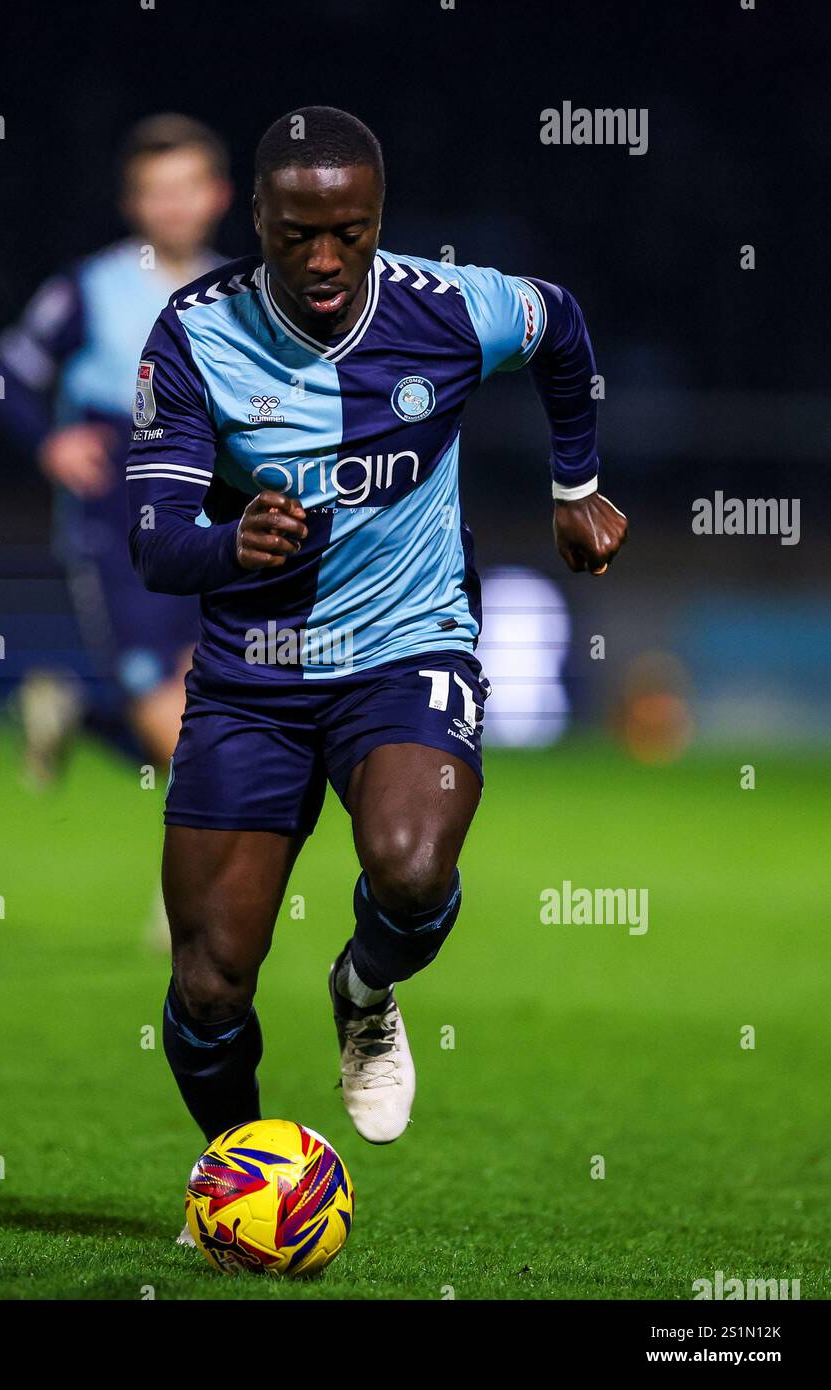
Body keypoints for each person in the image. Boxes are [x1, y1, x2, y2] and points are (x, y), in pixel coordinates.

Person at [125, 106, 628, 1172]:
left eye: (347, 232)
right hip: (251, 678)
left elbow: (563, 327)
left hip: (407, 647)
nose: (322, 258)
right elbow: (156, 542)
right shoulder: (194, 334)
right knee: (210, 978)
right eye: (295, 231)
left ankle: (363, 988)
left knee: (408, 868)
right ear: (255, 217)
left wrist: (576, 486)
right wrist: (230, 549)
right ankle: (246, 1172)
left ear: (377, 218)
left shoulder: (449, 309)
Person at [0, 114, 233, 782]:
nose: (173, 204)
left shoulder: (243, 296)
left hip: (220, 524)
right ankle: (197, 886)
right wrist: (49, 441)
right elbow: (0, 376)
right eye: (156, 190)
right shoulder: (88, 288)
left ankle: (72, 714)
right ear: (132, 204)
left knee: (224, 713)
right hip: (118, 523)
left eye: (187, 186)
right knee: (178, 732)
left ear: (219, 196)